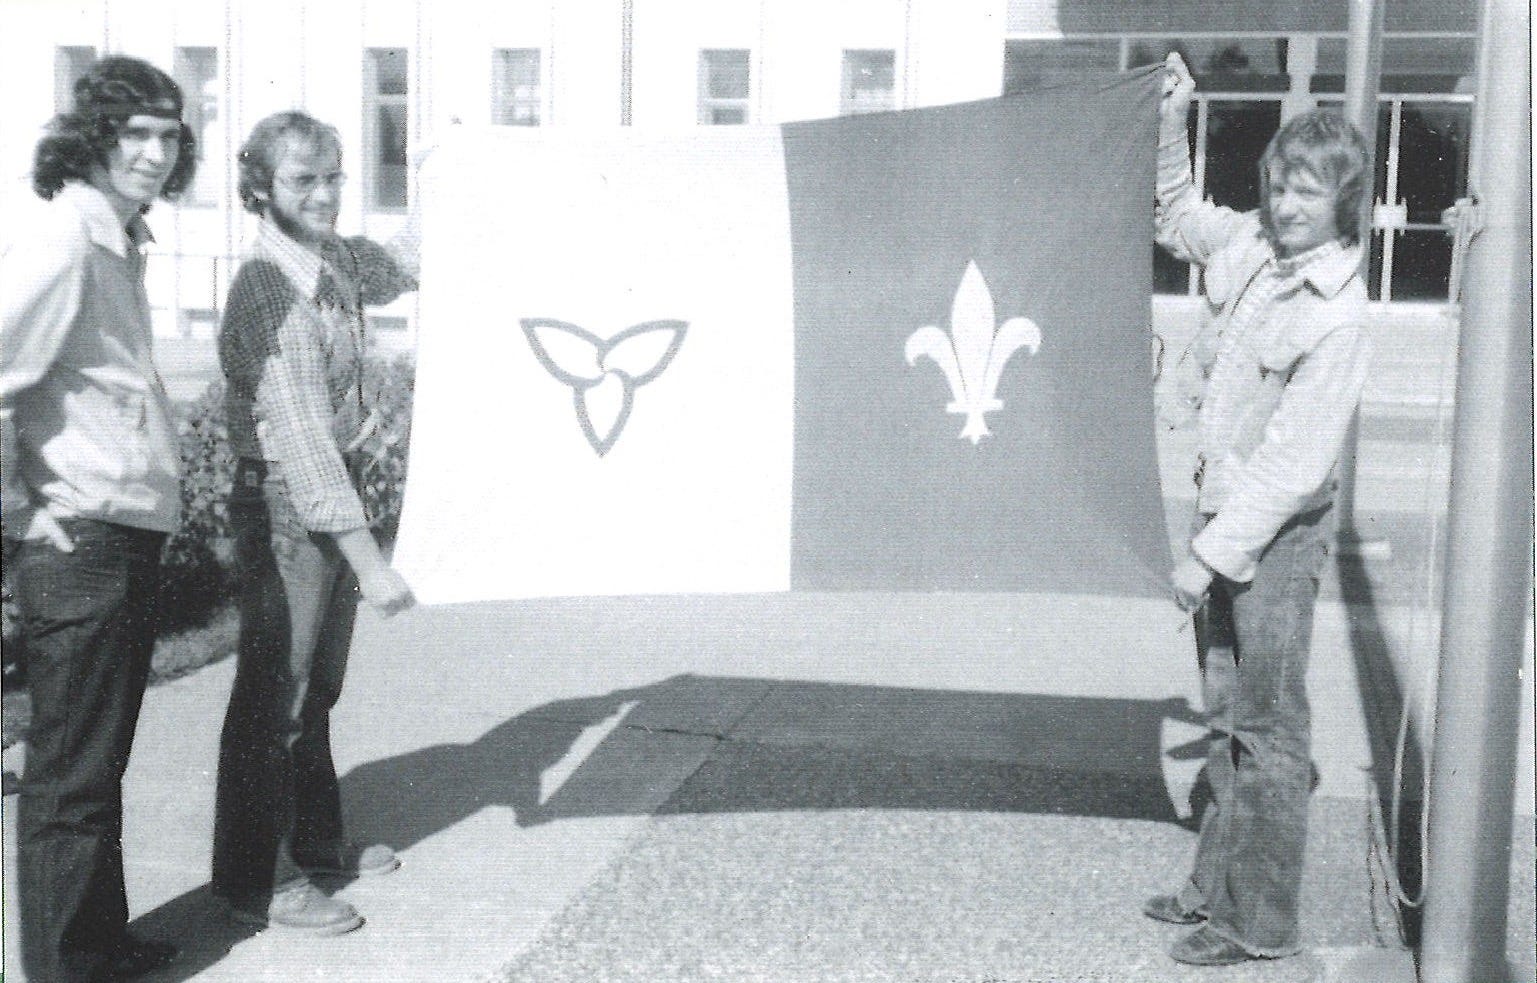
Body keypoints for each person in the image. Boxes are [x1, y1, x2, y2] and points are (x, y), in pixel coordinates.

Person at [1145, 53, 1372, 967]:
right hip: (1223, 513)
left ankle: (1257, 921)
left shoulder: (1338, 314)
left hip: (1271, 538)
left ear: (1343, 203)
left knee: (1268, 731)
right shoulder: (1251, 249)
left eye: (1307, 193)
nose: (1285, 206)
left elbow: (1288, 469)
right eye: (1280, 186)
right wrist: (1171, 116)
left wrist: (1207, 556)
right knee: (1228, 712)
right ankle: (1213, 887)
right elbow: (1174, 213)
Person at [1, 55, 195, 981]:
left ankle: (99, 946)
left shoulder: (116, 237)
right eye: (136, 134)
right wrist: (17, 509)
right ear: (94, 138)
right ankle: (65, 970)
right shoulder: (66, 239)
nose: (154, 153)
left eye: (168, 134)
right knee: (69, 781)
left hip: (121, 535)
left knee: (97, 766)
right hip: (81, 540)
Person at [210, 110, 418, 936]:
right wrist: (370, 561)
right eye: (304, 180)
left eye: (334, 175)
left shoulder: (331, 258)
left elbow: (401, 265)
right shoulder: (268, 289)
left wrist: (447, 168)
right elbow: (300, 440)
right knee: (276, 698)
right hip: (284, 509)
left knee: (316, 689)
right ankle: (256, 877)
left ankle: (317, 837)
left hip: (320, 504)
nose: (326, 193)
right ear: (260, 188)